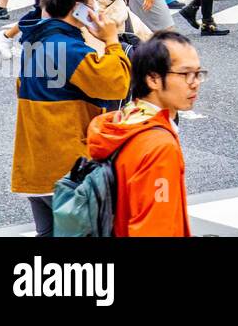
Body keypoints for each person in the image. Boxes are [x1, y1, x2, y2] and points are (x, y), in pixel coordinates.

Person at [12, 0, 131, 236]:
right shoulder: (70, 48)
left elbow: (22, 88)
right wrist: (111, 41)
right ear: (78, 8)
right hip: (67, 171)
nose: (96, 5)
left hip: (36, 168)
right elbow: (117, 84)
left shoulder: (35, 42)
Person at [84, 32, 201, 237]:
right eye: (185, 74)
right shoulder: (159, 146)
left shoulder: (123, 121)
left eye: (198, 73)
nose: (195, 82)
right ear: (154, 79)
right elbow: (156, 227)